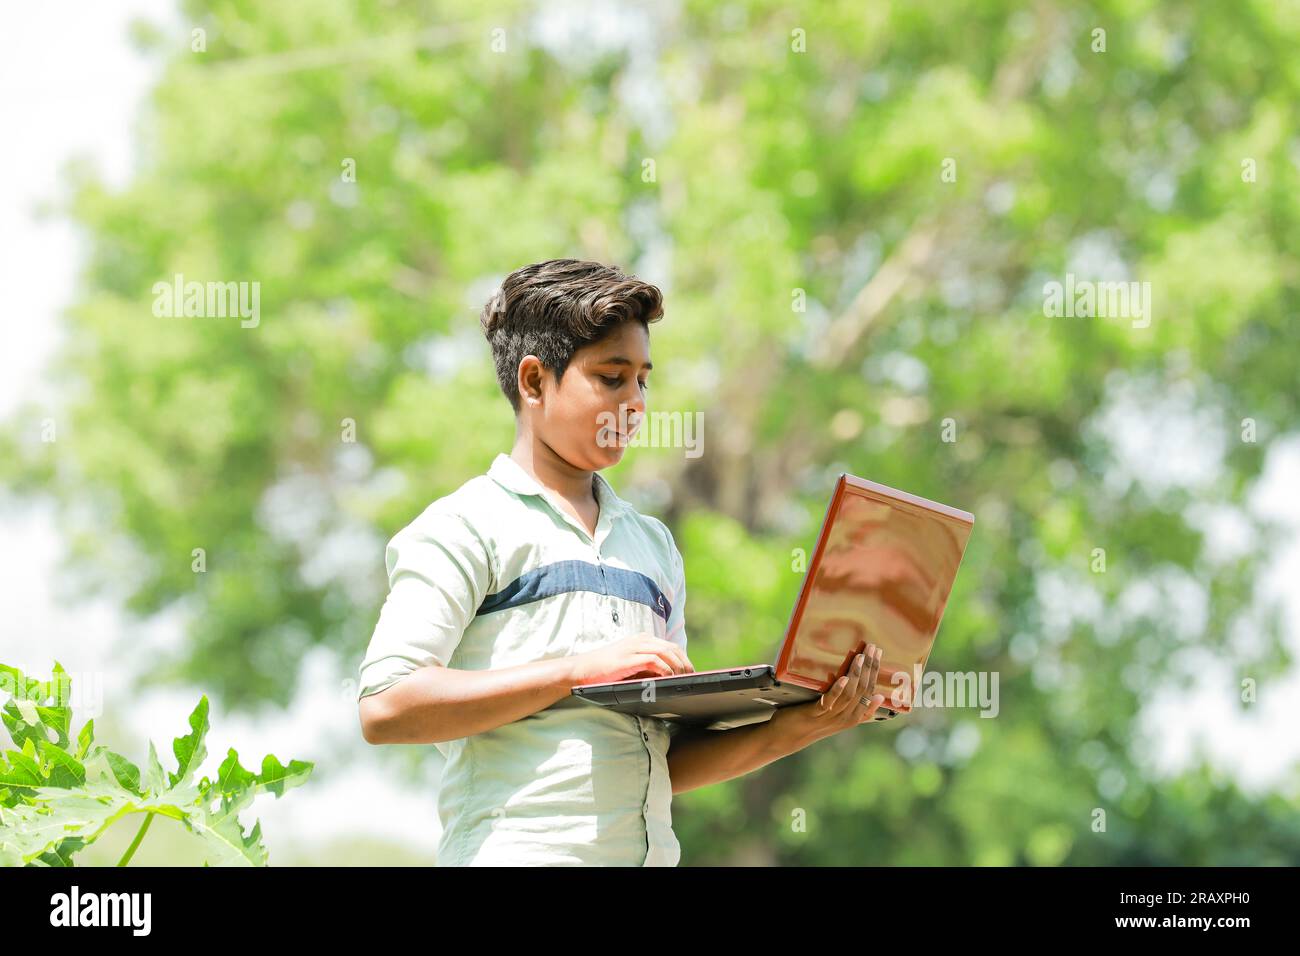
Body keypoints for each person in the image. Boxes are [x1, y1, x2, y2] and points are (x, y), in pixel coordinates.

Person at [356, 258, 886, 866]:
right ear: (533, 382)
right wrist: (577, 671)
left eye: (643, 380)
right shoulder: (466, 526)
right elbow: (386, 705)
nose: (635, 402)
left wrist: (810, 721)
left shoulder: (653, 547)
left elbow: (662, 765)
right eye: (611, 378)